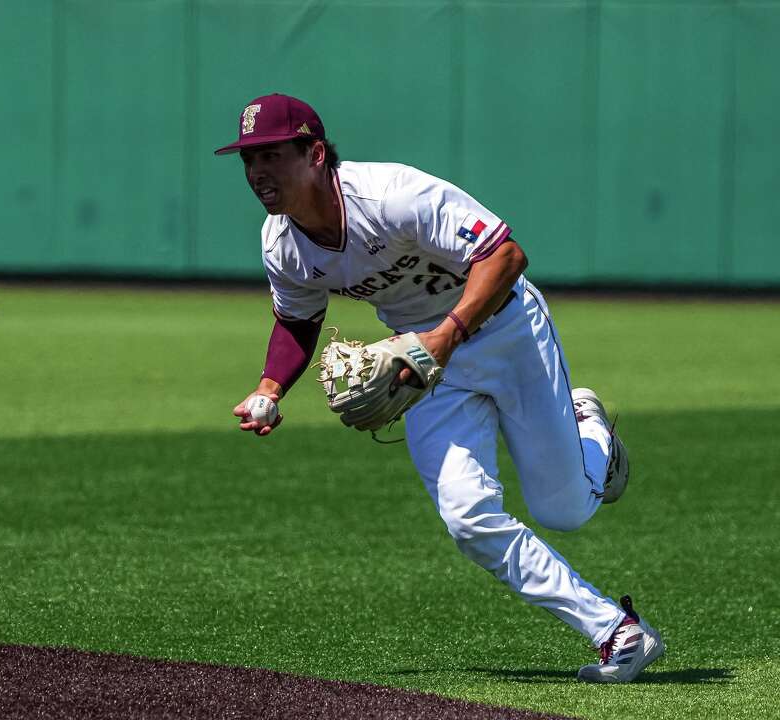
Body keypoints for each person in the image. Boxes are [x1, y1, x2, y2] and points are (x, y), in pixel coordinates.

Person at [218, 93, 664, 683]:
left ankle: (591, 433)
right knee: (468, 519)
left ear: (316, 152)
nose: (257, 173)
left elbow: (506, 256)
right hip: (423, 359)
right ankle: (618, 633)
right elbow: (297, 319)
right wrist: (270, 387)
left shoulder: (393, 196)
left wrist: (447, 335)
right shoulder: (282, 244)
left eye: (271, 155)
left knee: (565, 510)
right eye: (249, 160)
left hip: (506, 330)